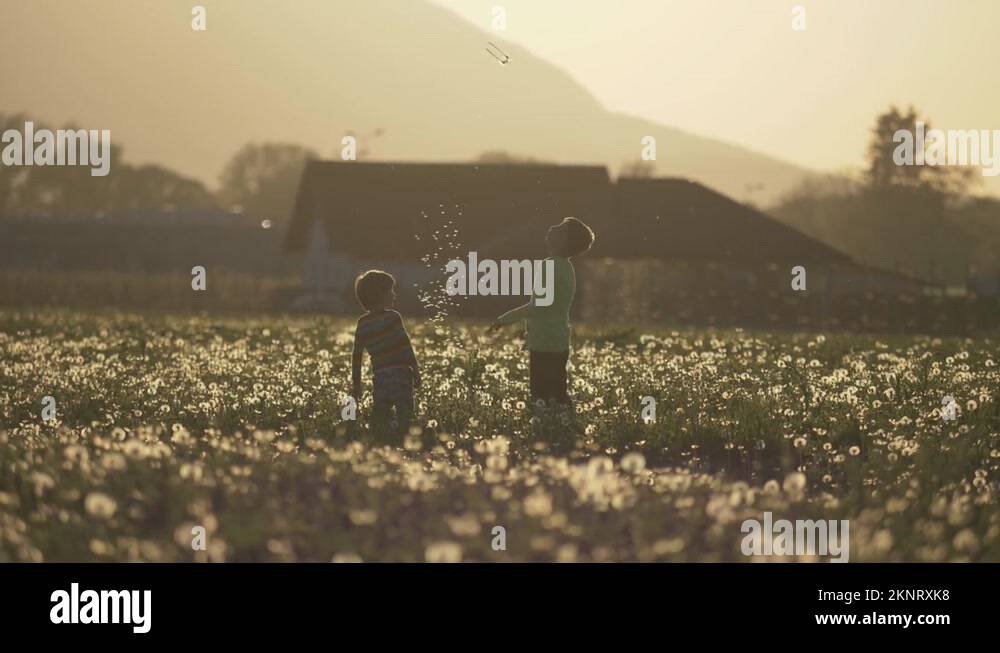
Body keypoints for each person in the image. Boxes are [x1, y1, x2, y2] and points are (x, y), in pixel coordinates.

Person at [490, 217, 595, 405]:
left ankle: (548, 431)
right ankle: (564, 429)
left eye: (560, 229)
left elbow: (537, 307)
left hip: (544, 342)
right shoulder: (566, 267)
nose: (552, 227)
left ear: (565, 241)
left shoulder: (550, 265)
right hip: (559, 339)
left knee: (541, 395)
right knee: (557, 393)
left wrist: (504, 319)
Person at [351, 270, 421, 438]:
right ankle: (403, 442)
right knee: (405, 414)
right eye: (390, 291)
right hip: (401, 375)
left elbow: (356, 356)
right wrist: (416, 370)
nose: (394, 295)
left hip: (381, 377)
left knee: (381, 413)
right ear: (380, 294)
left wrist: (357, 384)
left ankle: (380, 441)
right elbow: (405, 346)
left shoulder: (362, 324)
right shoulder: (393, 318)